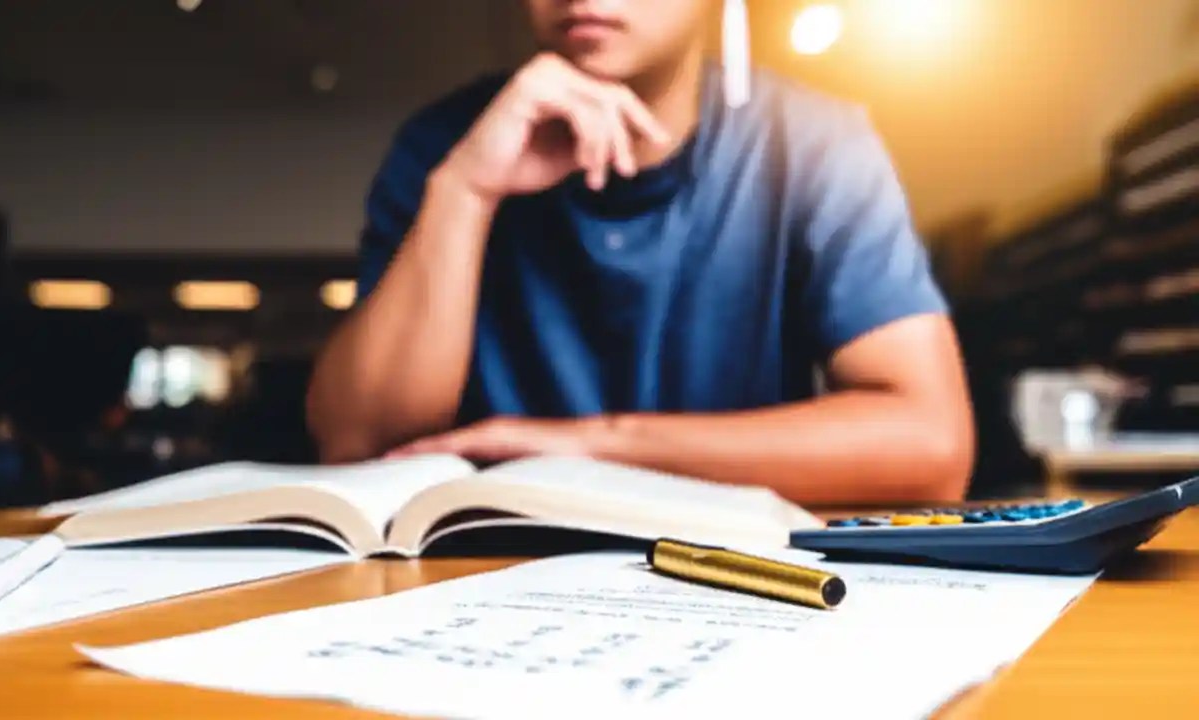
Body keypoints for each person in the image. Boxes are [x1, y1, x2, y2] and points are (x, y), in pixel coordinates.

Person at [306, 0, 975, 505]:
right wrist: (465, 192)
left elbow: (931, 443)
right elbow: (357, 443)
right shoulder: (445, 147)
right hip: (483, 579)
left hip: (733, 580)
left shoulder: (814, 144)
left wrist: (594, 446)